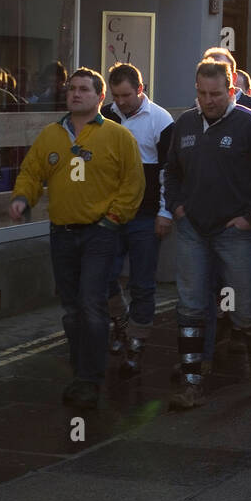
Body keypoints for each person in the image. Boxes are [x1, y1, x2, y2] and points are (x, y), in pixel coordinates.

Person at [9, 68, 143, 408]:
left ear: (100, 97)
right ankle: (80, 372)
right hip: (62, 234)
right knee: (71, 310)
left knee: (91, 305)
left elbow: (133, 184)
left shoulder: (118, 136)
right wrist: (23, 198)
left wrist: (112, 220)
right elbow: (31, 171)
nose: (75, 94)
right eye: (71, 89)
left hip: (100, 233)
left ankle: (90, 380)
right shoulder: (51, 136)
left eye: (84, 89)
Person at [162, 58, 251, 409]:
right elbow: (172, 171)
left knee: (244, 308)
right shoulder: (185, 123)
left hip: (235, 231)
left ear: (232, 90)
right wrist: (177, 205)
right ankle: (192, 383)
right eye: (202, 93)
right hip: (192, 229)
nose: (208, 100)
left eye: (216, 94)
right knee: (190, 305)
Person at [101, 63, 175, 373]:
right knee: (104, 274)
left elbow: (170, 171)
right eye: (116, 96)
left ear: (140, 90)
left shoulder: (161, 120)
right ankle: (120, 320)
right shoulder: (105, 115)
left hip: (145, 215)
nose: (121, 102)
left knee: (143, 284)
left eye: (127, 95)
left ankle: (137, 343)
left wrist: (164, 212)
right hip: (111, 213)